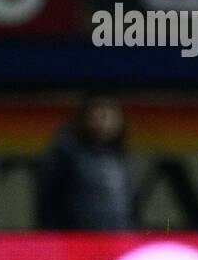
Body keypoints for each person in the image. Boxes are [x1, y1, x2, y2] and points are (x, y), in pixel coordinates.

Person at [35, 94, 137, 231]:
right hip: (80, 242)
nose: (105, 118)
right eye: (99, 110)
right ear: (84, 115)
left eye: (111, 111)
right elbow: (48, 204)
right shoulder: (67, 152)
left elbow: (131, 207)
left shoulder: (120, 156)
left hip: (120, 240)